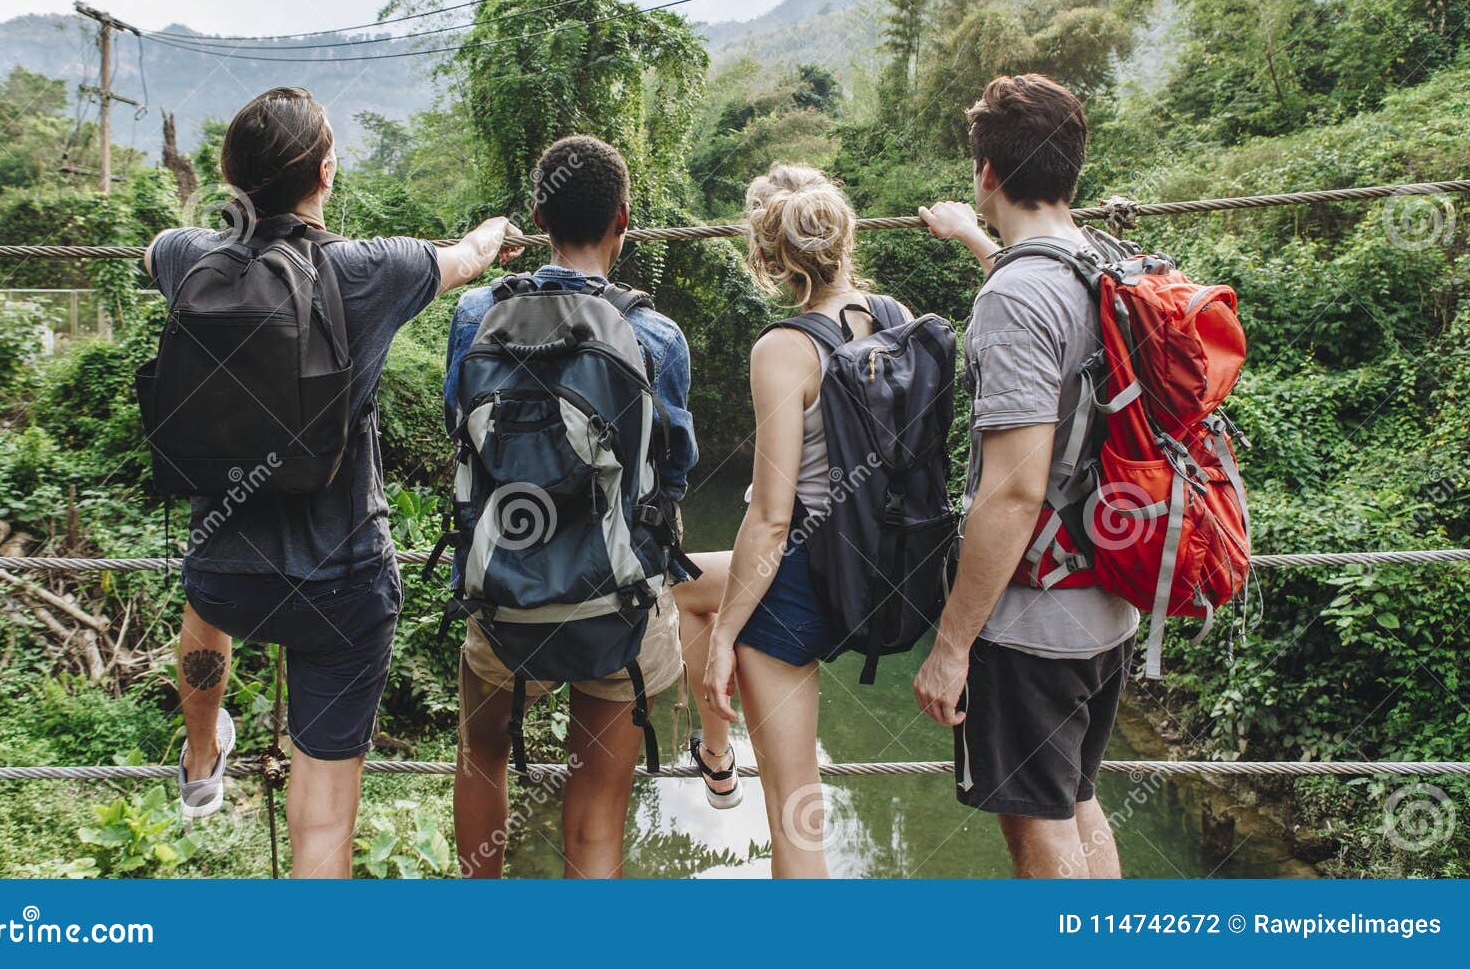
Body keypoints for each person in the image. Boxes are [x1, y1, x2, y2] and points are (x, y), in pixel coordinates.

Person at [145, 86, 520, 878]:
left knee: (201, 592)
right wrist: (494, 230)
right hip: (342, 583)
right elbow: (470, 256)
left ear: (231, 179)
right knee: (322, 827)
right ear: (325, 171)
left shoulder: (191, 262)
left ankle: (201, 754)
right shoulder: (368, 270)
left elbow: (153, 248)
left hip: (225, 577)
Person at [445, 134, 698, 879]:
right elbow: (672, 475)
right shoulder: (657, 334)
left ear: (537, 214)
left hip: (502, 589)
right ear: (624, 218)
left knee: (482, 752)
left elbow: (462, 433)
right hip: (614, 600)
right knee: (596, 804)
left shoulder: (472, 314)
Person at [913, 73, 1139, 878]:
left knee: (1037, 833)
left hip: (1035, 620)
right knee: (1077, 801)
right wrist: (977, 242)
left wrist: (951, 645)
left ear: (986, 175)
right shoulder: (1107, 264)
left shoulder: (1016, 297)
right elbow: (1046, 329)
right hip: (1109, 600)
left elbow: (1013, 489)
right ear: (1074, 173)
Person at [688, 164, 910, 878]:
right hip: (880, 572)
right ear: (845, 233)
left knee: (795, 813)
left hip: (800, 583)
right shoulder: (899, 318)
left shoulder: (783, 349)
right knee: (685, 581)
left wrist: (724, 634)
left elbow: (772, 517)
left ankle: (715, 753)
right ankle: (715, 753)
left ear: (768, 256)